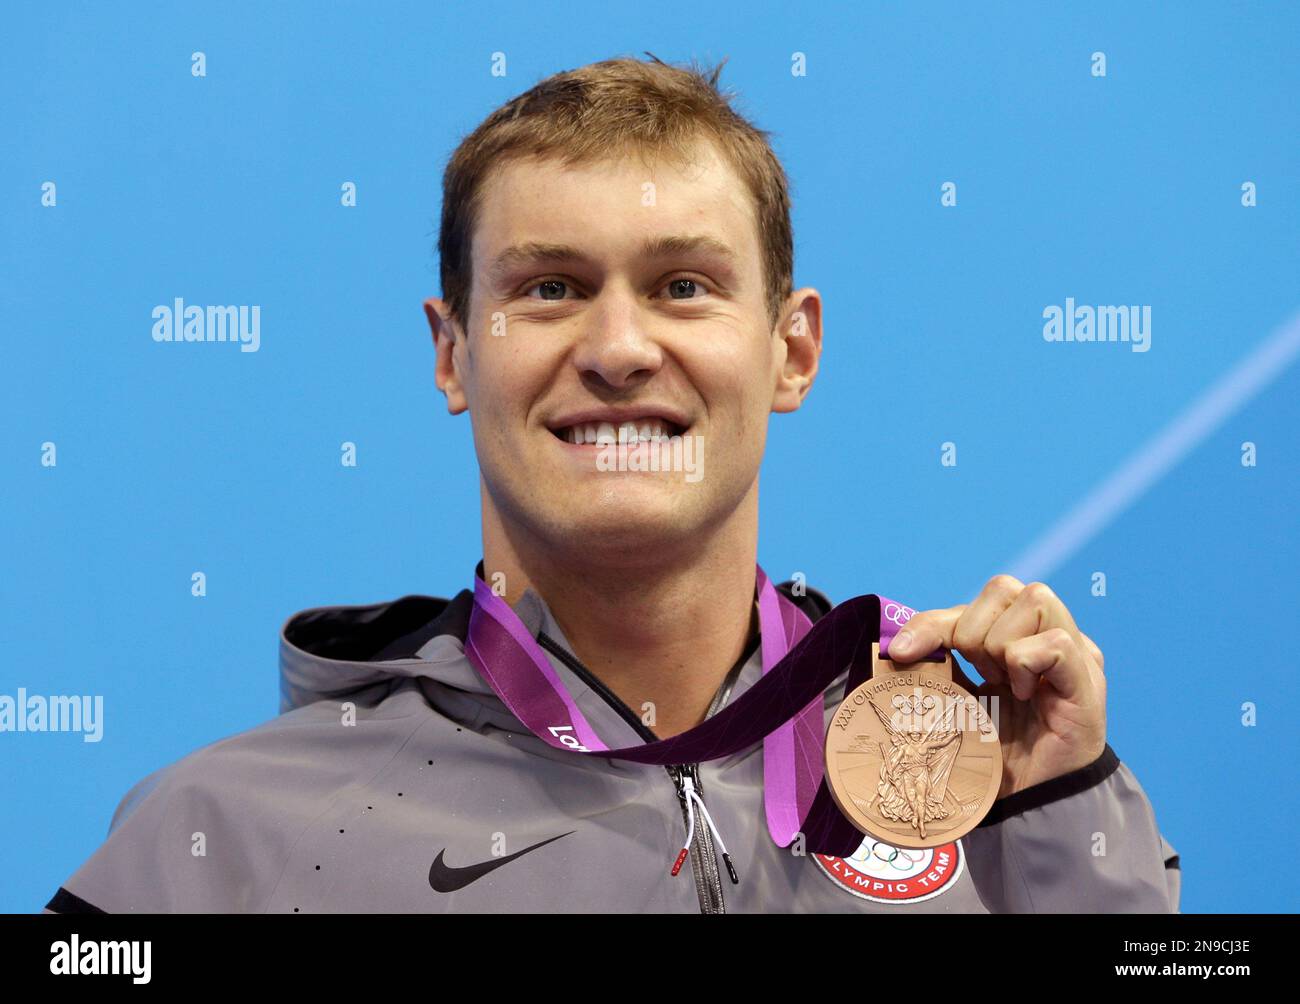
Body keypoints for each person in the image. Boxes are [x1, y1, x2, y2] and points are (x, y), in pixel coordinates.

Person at [46, 54, 1179, 914]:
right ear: (453, 353)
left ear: (792, 350)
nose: (620, 349)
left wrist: (1059, 816)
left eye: (683, 285)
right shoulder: (229, 839)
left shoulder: (975, 786)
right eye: (549, 288)